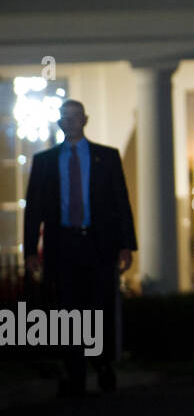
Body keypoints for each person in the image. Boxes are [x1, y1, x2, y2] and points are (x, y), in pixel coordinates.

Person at [23, 99, 137, 396]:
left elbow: (120, 202)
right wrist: (30, 250)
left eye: (75, 116)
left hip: (99, 243)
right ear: (60, 122)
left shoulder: (106, 157)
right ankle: (75, 369)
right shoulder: (45, 161)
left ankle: (101, 362)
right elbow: (33, 208)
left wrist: (127, 245)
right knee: (67, 309)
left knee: (99, 305)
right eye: (65, 117)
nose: (70, 121)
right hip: (62, 244)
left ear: (85, 120)